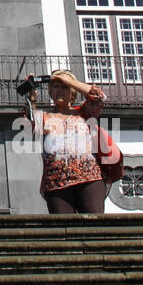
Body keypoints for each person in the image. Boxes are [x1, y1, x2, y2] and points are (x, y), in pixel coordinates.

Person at [22, 69, 108, 214]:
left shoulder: (84, 112)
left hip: (89, 178)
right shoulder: (43, 117)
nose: (60, 90)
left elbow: (99, 97)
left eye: (64, 87)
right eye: (56, 86)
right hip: (56, 182)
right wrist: (31, 95)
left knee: (95, 227)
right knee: (63, 230)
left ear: (73, 92)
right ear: (51, 91)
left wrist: (69, 80)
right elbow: (26, 124)